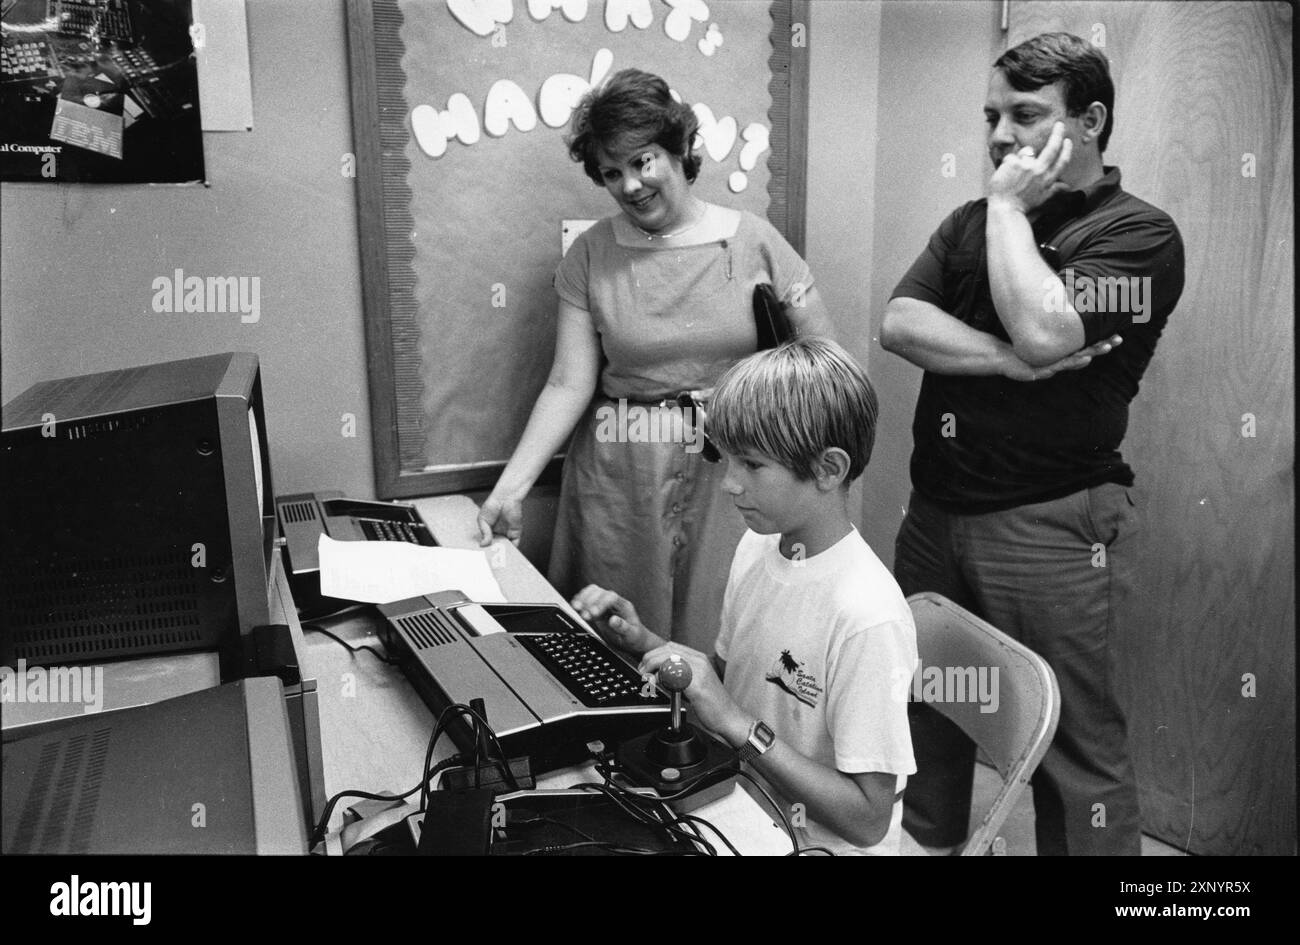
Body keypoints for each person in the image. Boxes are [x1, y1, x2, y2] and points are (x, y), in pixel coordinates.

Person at [881, 32, 1185, 855]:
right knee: (932, 711)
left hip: (1051, 524)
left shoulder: (1140, 235)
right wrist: (1014, 366)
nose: (999, 136)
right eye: (992, 115)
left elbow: (1048, 326)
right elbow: (900, 322)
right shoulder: (968, 221)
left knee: (1072, 747)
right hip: (937, 515)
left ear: (1089, 121)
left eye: (1024, 114)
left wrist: (1013, 211)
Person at [477, 68, 833, 653]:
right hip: (620, 477)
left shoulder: (757, 242)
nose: (630, 185)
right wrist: (511, 489)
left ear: (679, 150)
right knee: (613, 642)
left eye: (643, 162)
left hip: (733, 470)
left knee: (723, 638)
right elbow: (569, 381)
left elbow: (825, 368)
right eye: (611, 173)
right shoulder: (590, 254)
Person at [571, 338, 918, 855]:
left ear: (828, 469)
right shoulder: (757, 546)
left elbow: (868, 820)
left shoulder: (867, 616)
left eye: (752, 465)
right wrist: (644, 642)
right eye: (726, 459)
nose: (729, 484)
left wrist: (738, 726)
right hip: (743, 807)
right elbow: (731, 680)